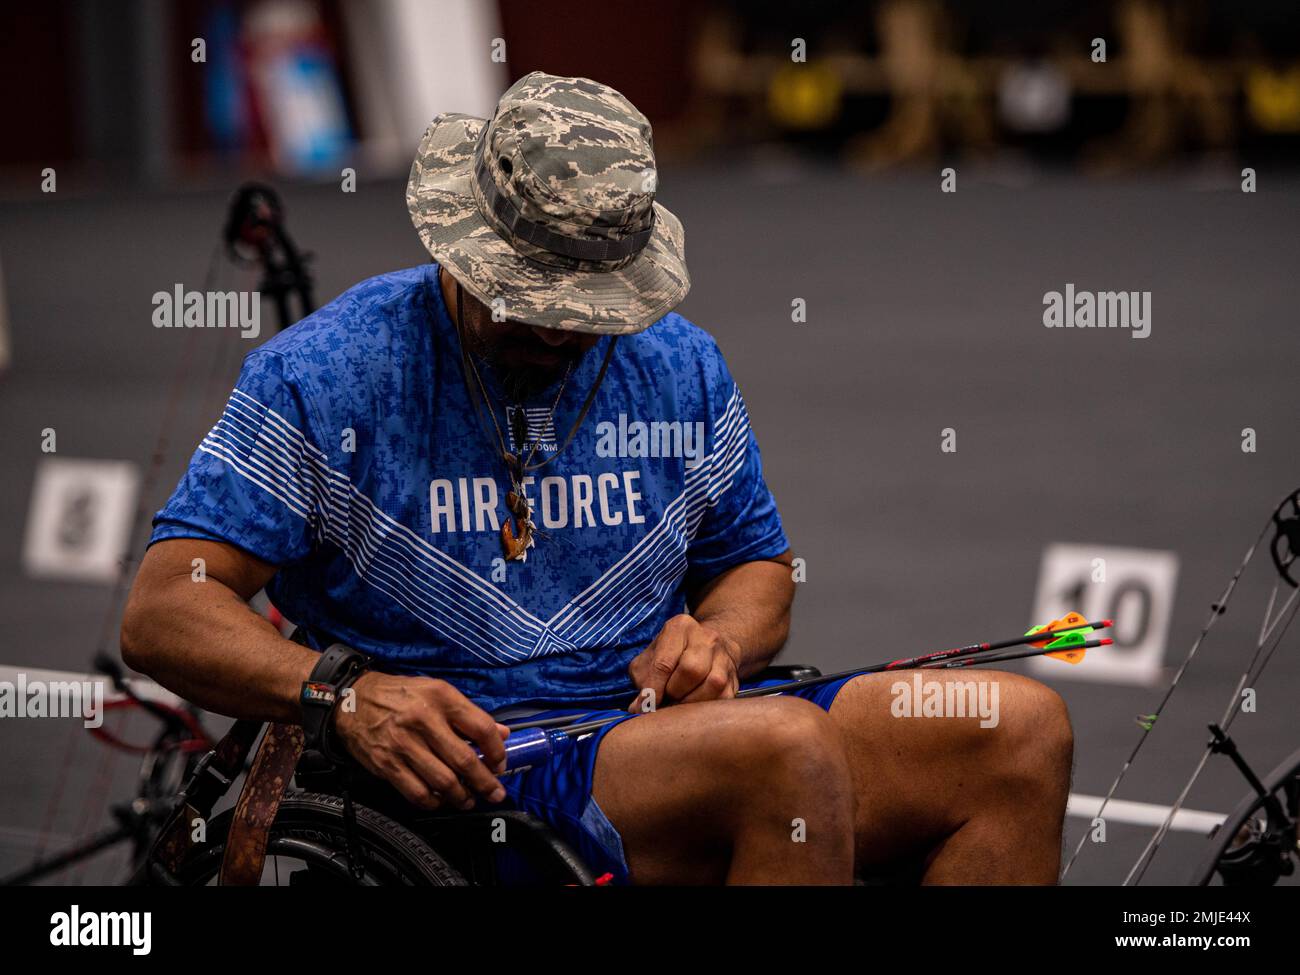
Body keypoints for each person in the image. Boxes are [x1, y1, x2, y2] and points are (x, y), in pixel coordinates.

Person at [122, 72, 1072, 885]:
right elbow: (165, 611)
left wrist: (720, 641)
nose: (560, 330)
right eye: (531, 301)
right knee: (784, 749)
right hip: (470, 769)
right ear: (468, 245)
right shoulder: (328, 371)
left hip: (655, 735)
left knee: (1017, 730)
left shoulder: (682, 365)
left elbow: (759, 569)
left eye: (587, 305)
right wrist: (345, 689)